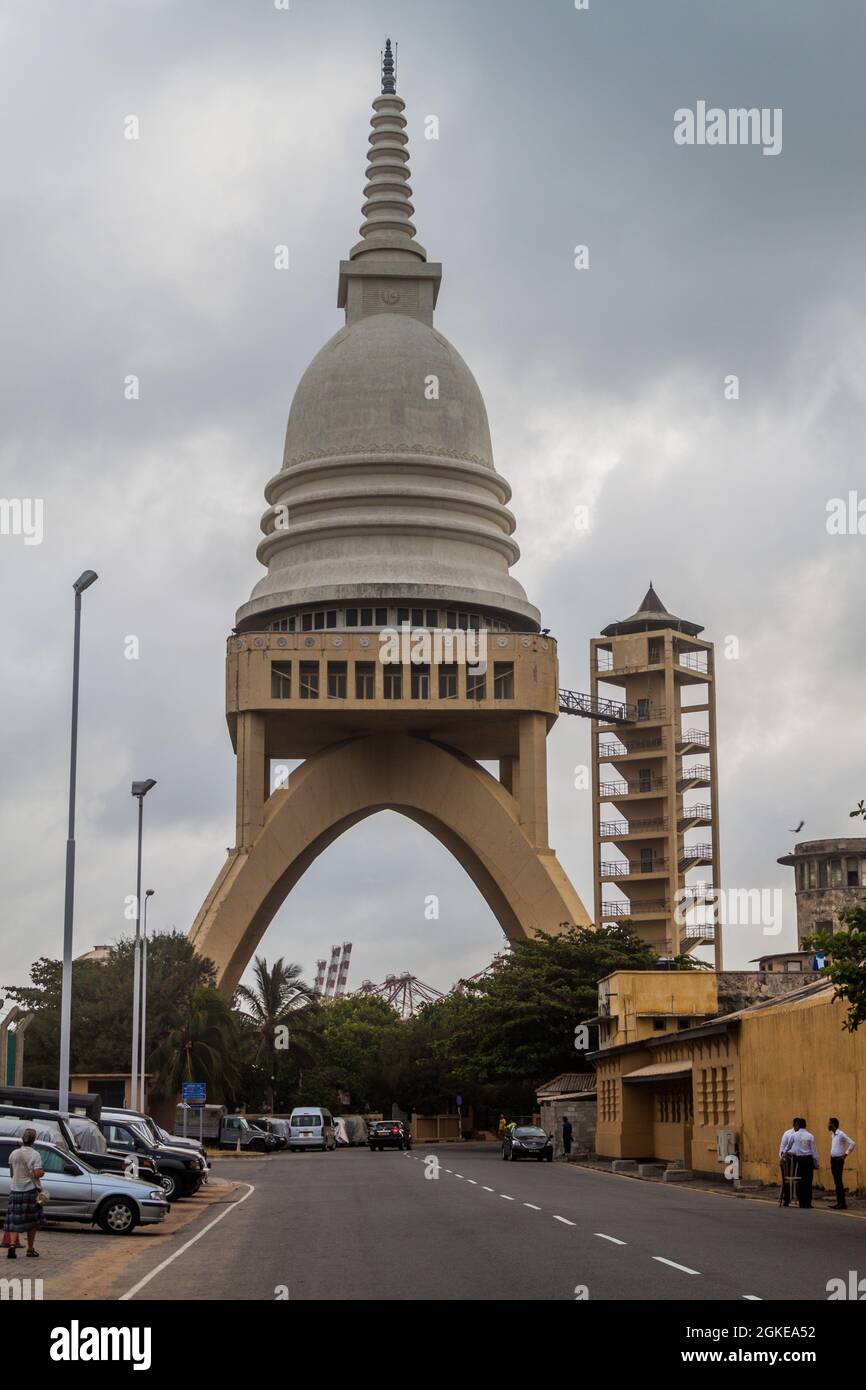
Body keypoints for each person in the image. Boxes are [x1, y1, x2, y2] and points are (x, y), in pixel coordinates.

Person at [2, 1128, 45, 1259]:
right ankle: (30, 1249)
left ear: (23, 1139)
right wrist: (41, 1172)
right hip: (30, 1191)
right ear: (34, 1140)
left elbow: (12, 1173)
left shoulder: (14, 1153)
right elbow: (37, 1173)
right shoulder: (35, 1154)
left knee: (15, 1220)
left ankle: (12, 1246)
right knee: (32, 1221)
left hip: (15, 1190)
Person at [783, 1118, 819, 1209]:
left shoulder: (794, 1135)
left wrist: (784, 1153)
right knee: (808, 1182)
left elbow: (788, 1146)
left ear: (798, 1125)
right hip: (809, 1159)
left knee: (801, 1181)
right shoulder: (810, 1136)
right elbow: (814, 1151)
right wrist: (816, 1163)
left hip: (800, 1160)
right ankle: (808, 1202)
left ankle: (801, 1202)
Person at [828, 1118, 856, 1210]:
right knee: (836, 1181)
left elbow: (852, 1143)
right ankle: (839, 1202)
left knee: (839, 1182)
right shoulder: (833, 1134)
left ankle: (842, 1203)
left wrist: (845, 1155)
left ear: (833, 1124)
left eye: (829, 1123)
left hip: (839, 1160)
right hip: (833, 1159)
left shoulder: (841, 1134)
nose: (828, 1125)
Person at [778, 1118, 798, 1207]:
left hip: (797, 1159)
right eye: (796, 1125)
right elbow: (782, 1147)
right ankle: (786, 1199)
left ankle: (798, 1197)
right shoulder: (788, 1134)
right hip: (788, 1159)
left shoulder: (803, 1135)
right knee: (786, 1179)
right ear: (794, 1125)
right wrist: (783, 1157)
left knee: (798, 1179)